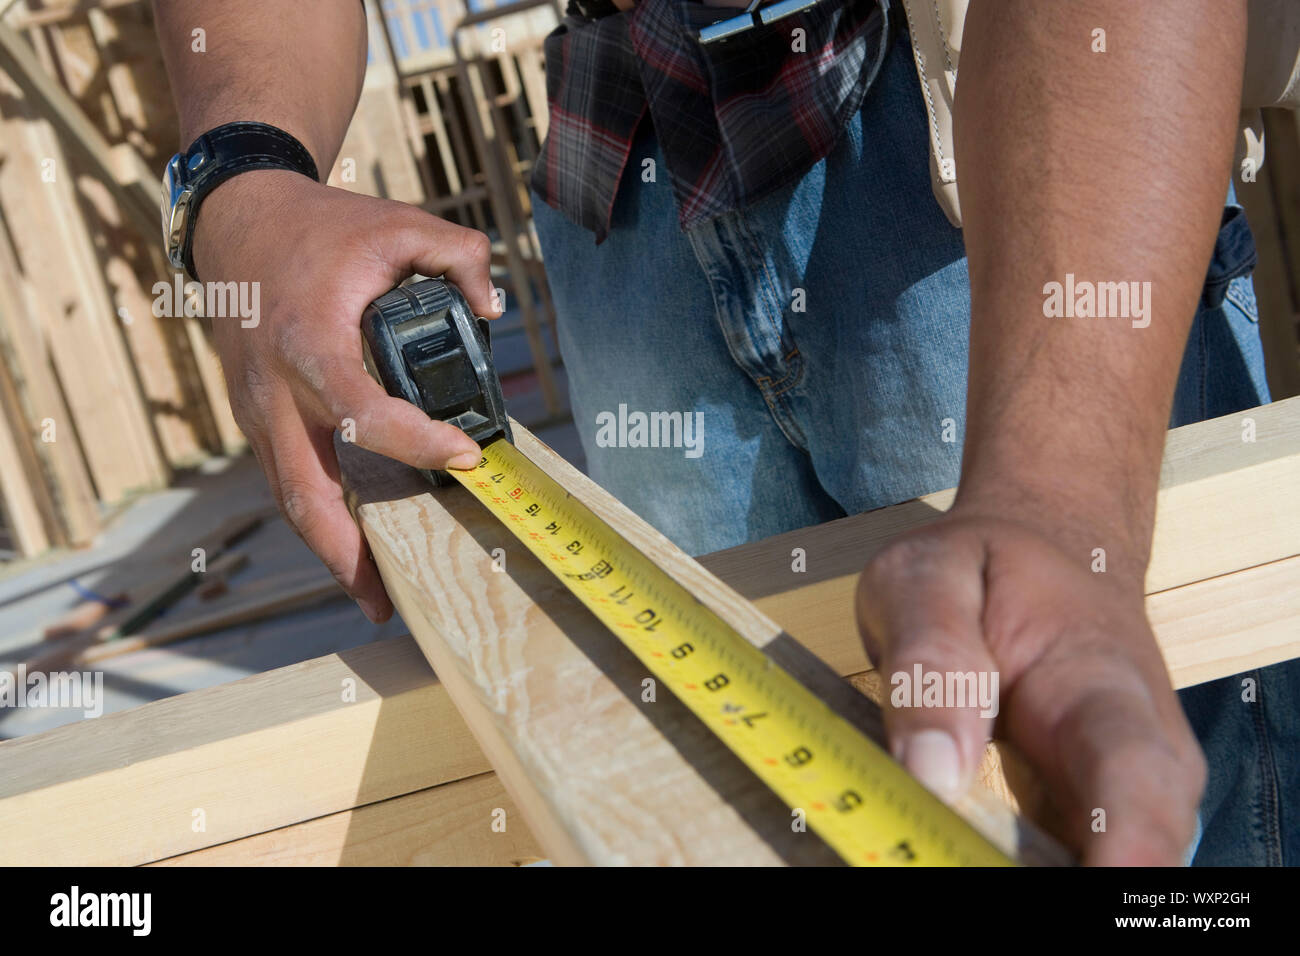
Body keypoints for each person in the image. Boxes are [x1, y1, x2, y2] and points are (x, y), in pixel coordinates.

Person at [152, 0, 1296, 865]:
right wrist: (242, 176)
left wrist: (1061, 490)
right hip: (624, 155)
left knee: (1153, 797)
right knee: (702, 809)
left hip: (993, 123)